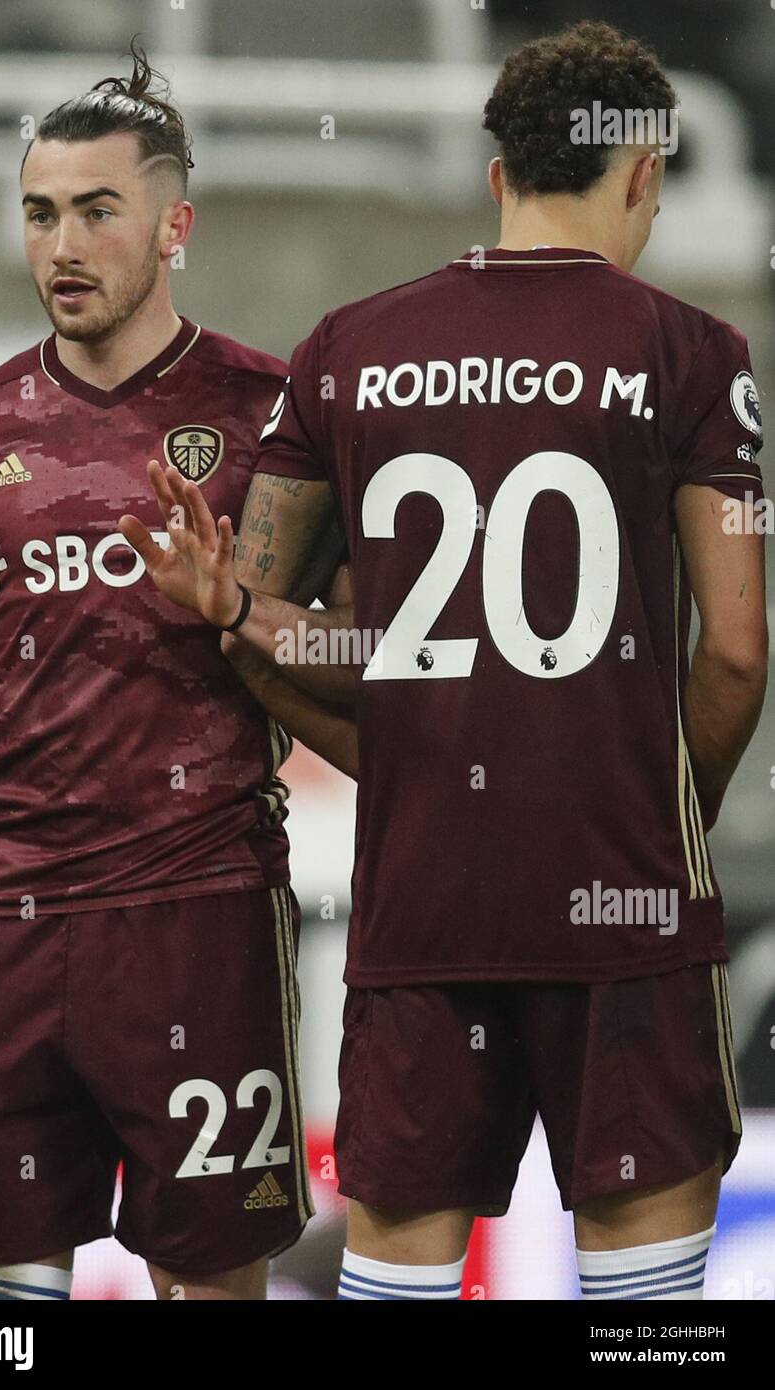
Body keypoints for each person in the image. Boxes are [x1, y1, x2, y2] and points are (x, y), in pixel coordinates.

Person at [121, 22, 768, 1301]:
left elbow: (260, 626)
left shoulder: (346, 347)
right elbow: (738, 654)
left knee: (400, 1273)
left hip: (424, 909)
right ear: (642, 170)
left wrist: (404, 756)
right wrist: (659, 814)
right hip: (626, 912)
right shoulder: (691, 353)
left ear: (497, 177)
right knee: (647, 1315)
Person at [0, 42, 317, 1302]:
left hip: (199, 910)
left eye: (95, 210)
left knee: (213, 1282)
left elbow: (350, 653)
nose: (61, 243)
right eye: (39, 213)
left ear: (174, 223)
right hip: (2, 916)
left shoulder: (274, 414)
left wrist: (234, 604)